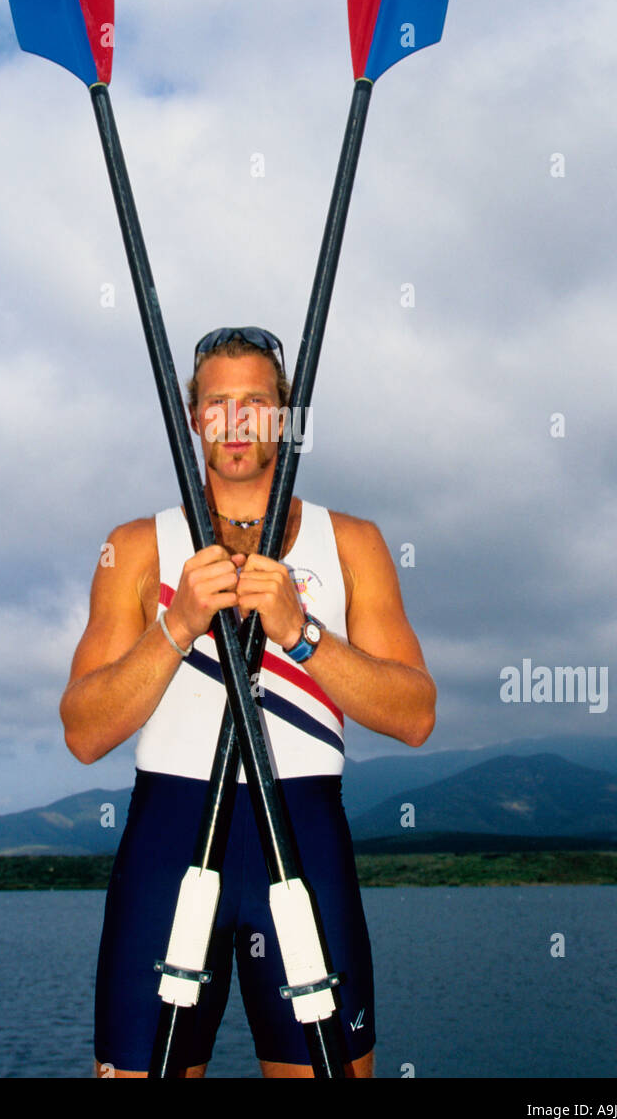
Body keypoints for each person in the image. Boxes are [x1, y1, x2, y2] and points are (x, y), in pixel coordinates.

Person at [59, 326, 436, 1078]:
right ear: (193, 417)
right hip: (169, 839)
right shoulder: (136, 547)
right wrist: (177, 626)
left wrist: (304, 634)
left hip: (302, 837)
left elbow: (415, 714)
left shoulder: (352, 541)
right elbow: (84, 731)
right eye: (218, 404)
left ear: (285, 417)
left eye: (256, 404)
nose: (235, 423)